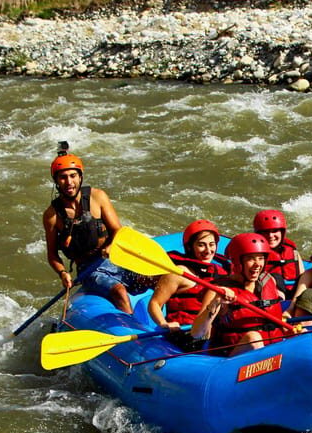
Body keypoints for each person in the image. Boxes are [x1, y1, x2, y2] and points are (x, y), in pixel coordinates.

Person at [42, 144, 136, 313]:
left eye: (73, 176)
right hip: (90, 269)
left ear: (80, 177)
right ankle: (134, 336)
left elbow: (118, 231)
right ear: (56, 181)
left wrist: (109, 247)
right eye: (63, 177)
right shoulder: (51, 215)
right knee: (119, 291)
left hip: (115, 258)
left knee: (155, 278)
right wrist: (63, 272)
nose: (69, 182)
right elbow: (52, 255)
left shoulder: (97, 197)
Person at [190, 232, 287, 356]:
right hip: (232, 360)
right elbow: (197, 333)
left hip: (272, 353)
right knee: (254, 338)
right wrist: (216, 302)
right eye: (251, 258)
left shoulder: (269, 280)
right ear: (237, 261)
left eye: (261, 258)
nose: (258, 264)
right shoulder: (218, 290)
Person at [148, 219, 229, 349]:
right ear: (190, 247)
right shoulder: (179, 273)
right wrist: (164, 324)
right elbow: (155, 303)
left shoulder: (221, 272)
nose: (208, 250)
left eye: (212, 244)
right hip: (184, 335)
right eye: (201, 245)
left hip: (211, 335)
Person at [252, 209, 304, 299]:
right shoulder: (253, 253)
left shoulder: (293, 251)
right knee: (275, 277)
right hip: (270, 295)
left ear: (282, 232)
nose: (270, 236)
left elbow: (303, 276)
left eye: (275, 231)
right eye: (265, 232)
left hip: (294, 295)